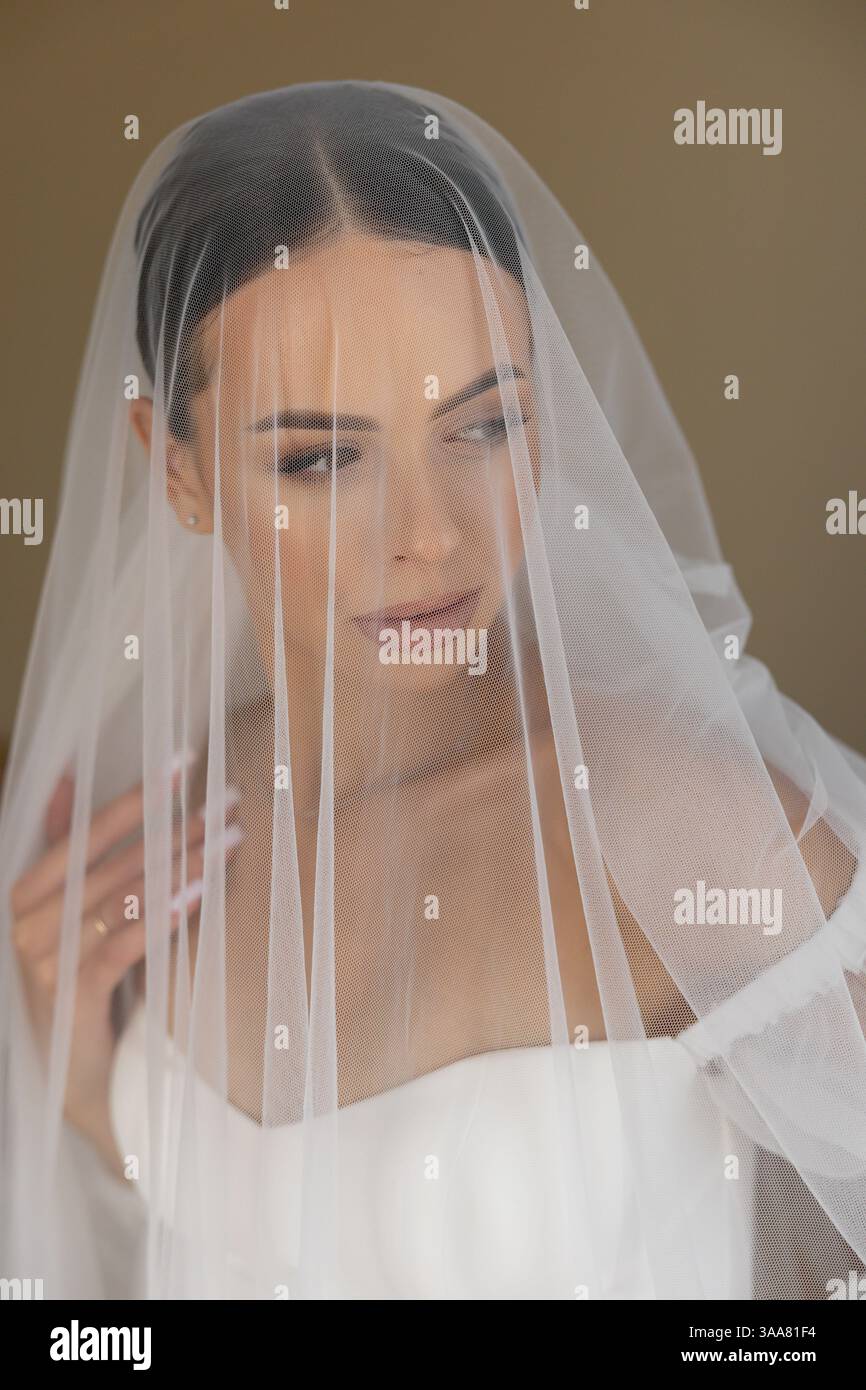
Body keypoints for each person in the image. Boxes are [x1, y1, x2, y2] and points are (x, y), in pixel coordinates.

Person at [1, 80, 865, 1301]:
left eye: (483, 426)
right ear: (176, 472)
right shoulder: (164, 829)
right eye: (319, 456)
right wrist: (97, 1106)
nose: (428, 537)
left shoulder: (668, 827)